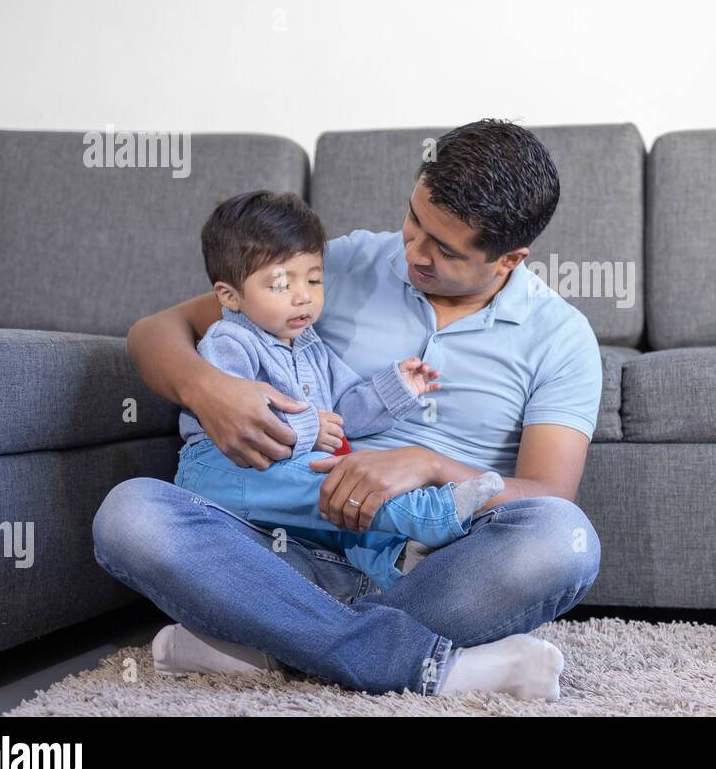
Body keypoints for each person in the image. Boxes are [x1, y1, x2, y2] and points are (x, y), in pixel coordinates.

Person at [91, 118, 604, 700]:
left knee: (563, 539)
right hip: (276, 549)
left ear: (509, 259)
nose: (414, 251)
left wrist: (429, 464)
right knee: (129, 513)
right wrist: (209, 390)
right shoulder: (345, 261)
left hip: (422, 569)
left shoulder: (561, 337)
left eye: (444, 249)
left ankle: (273, 639)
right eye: (414, 221)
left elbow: (548, 491)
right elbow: (157, 330)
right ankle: (407, 660)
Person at [174, 188, 509, 597]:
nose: (304, 296)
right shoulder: (229, 341)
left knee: (352, 510)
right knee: (333, 483)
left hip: (282, 475)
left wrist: (395, 388)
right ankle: (429, 513)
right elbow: (240, 422)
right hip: (221, 470)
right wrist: (305, 428)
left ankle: (395, 571)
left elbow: (345, 410)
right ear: (230, 296)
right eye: (281, 285)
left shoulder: (311, 346)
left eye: (314, 280)